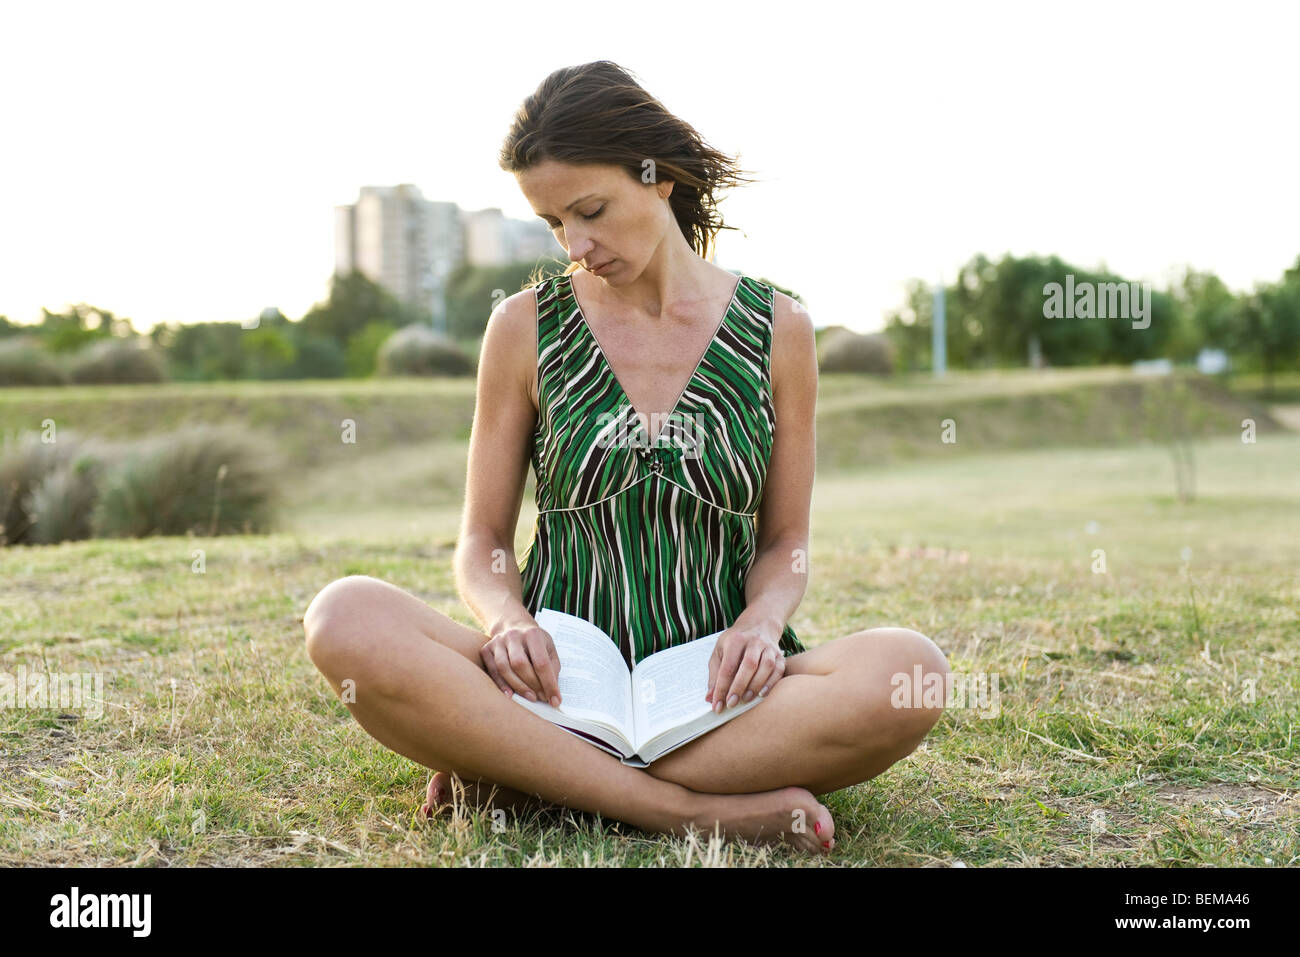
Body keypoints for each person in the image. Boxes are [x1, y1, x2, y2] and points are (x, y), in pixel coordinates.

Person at [303, 60, 950, 858]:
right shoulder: (521, 327)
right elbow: (482, 543)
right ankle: (679, 810)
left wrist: (761, 622)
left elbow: (786, 544)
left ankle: (533, 777)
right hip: (550, 683)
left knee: (906, 672)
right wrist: (506, 621)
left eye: (591, 210)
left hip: (716, 694)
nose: (578, 245)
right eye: (553, 224)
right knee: (344, 617)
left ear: (660, 177)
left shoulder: (781, 329)